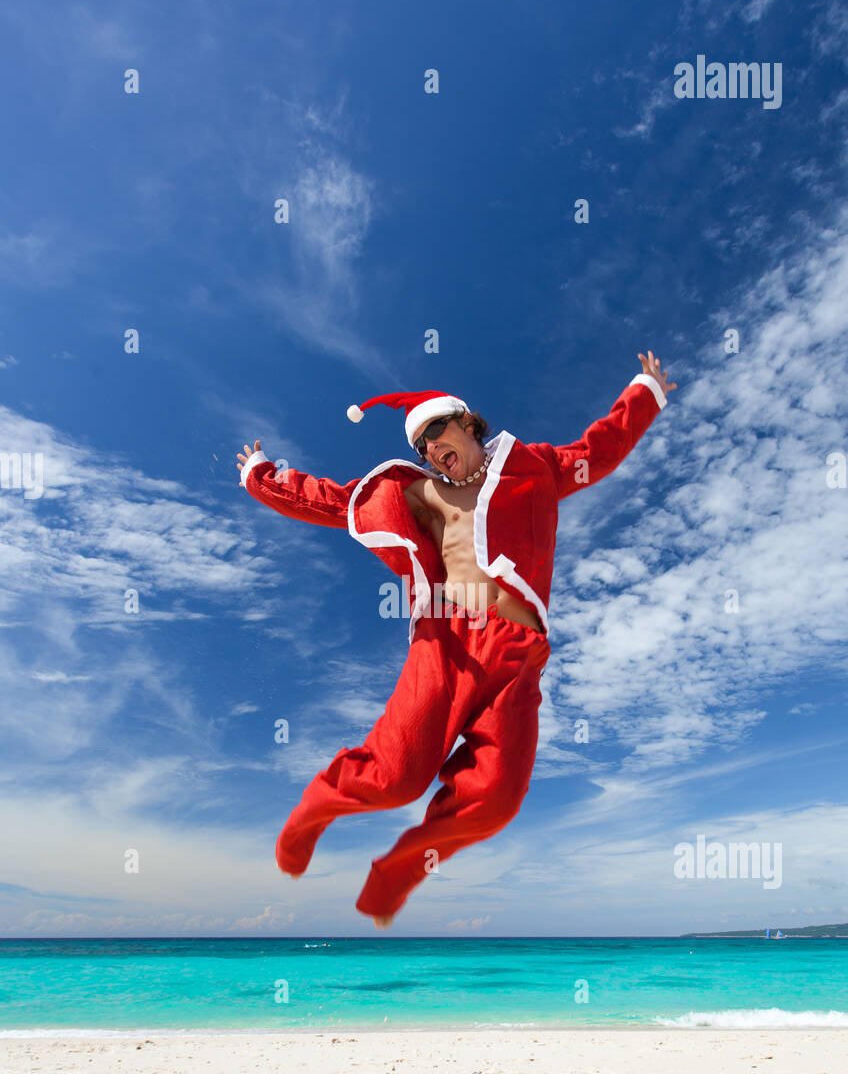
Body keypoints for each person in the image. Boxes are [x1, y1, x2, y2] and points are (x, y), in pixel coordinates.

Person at [236, 351, 676, 927]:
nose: (429, 450)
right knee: (396, 777)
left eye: (435, 432)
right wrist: (261, 475)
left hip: (519, 654)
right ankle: (314, 808)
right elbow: (333, 500)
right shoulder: (422, 497)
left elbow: (599, 451)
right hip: (447, 644)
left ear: (467, 422)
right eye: (419, 446)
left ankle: (397, 871)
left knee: (496, 796)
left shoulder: (533, 467)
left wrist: (644, 391)